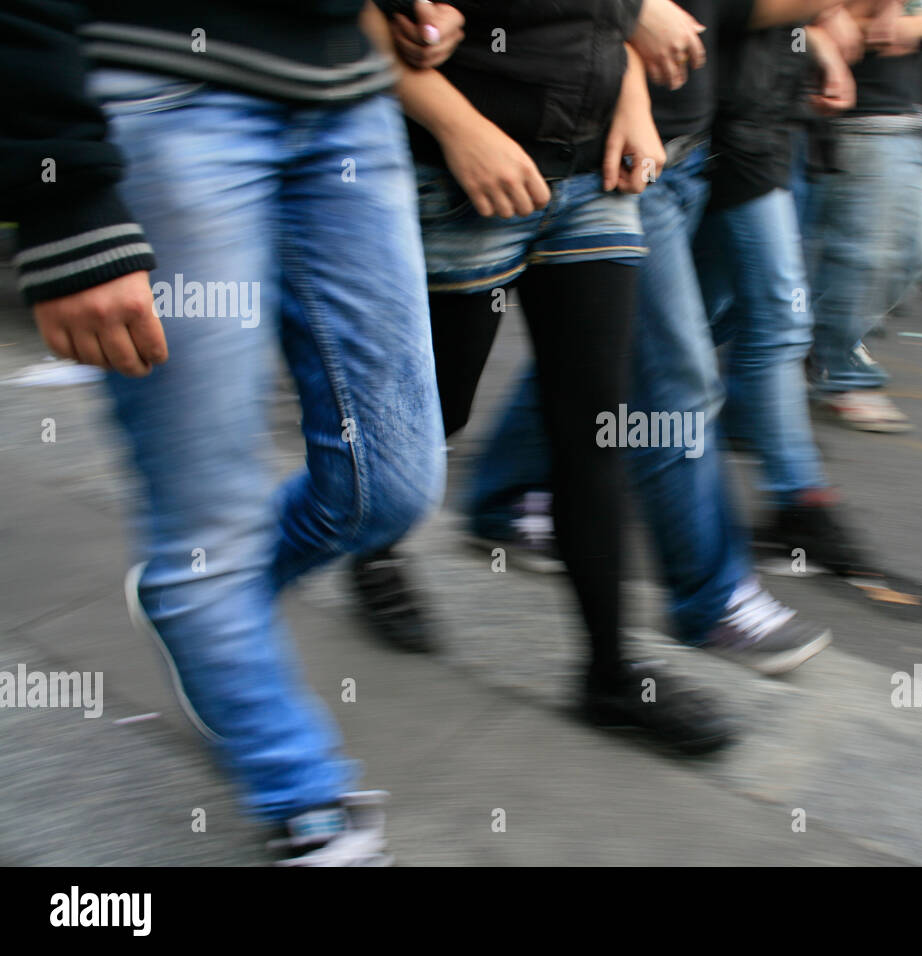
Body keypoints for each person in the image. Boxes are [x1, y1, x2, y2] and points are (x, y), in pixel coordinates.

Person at [0, 0, 464, 864]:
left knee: (394, 485)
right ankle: (304, 799)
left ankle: (199, 600)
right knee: (209, 519)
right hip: (155, 85)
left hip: (347, 91)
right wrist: (60, 194)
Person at [362, 0, 740, 753]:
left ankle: (609, 673)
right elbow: (362, 17)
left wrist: (633, 102)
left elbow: (612, 17)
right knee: (437, 416)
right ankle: (369, 544)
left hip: (596, 178)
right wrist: (457, 128)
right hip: (464, 177)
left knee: (596, 429)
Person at [457, 0, 843, 678]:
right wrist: (634, 20)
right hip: (606, 151)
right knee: (672, 378)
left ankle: (507, 511)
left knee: (615, 368)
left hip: (685, 142)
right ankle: (709, 597)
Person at [692, 13, 877, 573]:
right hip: (730, 128)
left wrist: (813, 38)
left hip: (765, 121)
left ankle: (528, 473)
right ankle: (800, 500)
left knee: (685, 321)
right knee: (779, 319)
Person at [806, 0, 922, 431]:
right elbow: (840, 30)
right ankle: (840, 372)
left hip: (916, 122)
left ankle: (818, 349)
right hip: (865, 121)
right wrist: (921, 26)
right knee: (866, 258)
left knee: (918, 254)